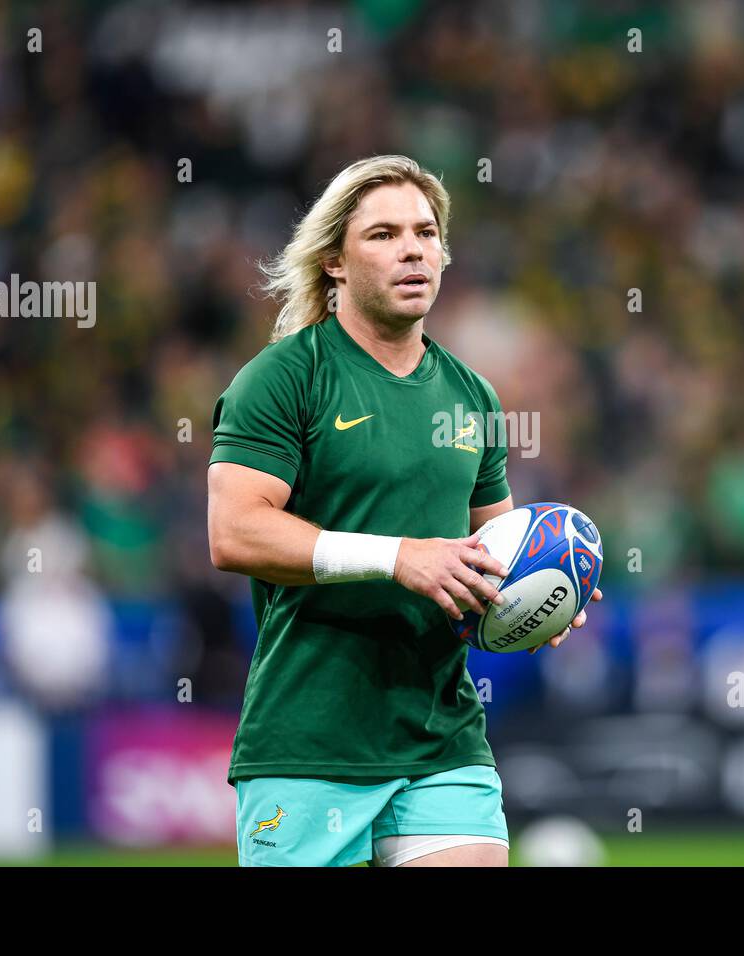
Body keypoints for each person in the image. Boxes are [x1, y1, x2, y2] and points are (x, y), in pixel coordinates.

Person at [207, 155, 601, 867]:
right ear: (333, 260)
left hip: (441, 735)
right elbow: (234, 532)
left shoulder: (473, 396)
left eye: (426, 232)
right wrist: (399, 557)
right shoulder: (282, 378)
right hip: (310, 734)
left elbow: (488, 555)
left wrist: (537, 594)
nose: (413, 248)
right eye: (384, 234)